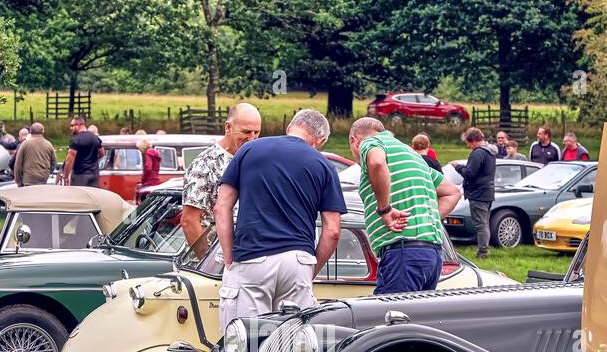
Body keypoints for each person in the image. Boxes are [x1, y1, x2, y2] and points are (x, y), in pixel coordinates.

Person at [213, 109, 347, 329]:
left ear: (289, 128)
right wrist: (309, 270)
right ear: (319, 140)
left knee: (246, 342)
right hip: (298, 261)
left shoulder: (249, 149)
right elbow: (332, 231)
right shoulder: (325, 166)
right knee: (291, 342)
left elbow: (222, 207)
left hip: (252, 257)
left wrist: (229, 257)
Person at [350, 118, 460, 294]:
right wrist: (425, 218)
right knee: (414, 317)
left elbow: (377, 162)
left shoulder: (370, 141)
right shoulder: (413, 156)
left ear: (354, 140)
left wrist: (384, 209)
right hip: (432, 254)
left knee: (391, 316)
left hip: (402, 253)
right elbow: (452, 193)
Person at [181, 102, 262, 259]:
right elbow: (189, 220)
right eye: (246, 132)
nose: (252, 138)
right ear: (228, 127)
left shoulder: (256, 159)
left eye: (256, 132)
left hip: (247, 260)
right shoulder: (205, 164)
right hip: (212, 266)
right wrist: (207, 263)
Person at [449, 127, 497, 257]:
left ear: (474, 140)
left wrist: (458, 167)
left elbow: (470, 174)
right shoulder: (490, 151)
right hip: (487, 192)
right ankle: (484, 248)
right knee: (484, 223)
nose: (468, 145)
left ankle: (482, 252)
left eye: (468, 142)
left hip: (478, 193)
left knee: (481, 224)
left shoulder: (478, 153)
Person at [63, 117, 103, 187]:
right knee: (92, 196)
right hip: (94, 174)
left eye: (72, 126)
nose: (71, 128)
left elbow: (69, 160)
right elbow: (102, 153)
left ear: (78, 125)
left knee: (79, 197)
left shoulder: (76, 140)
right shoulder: (95, 138)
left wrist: (66, 176)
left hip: (80, 175)